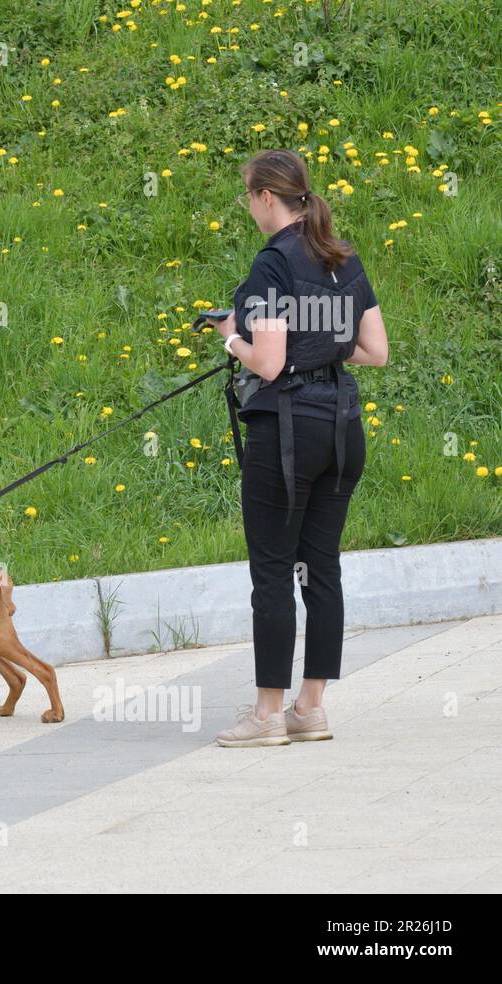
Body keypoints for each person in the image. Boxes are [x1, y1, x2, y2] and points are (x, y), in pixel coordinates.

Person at [209, 150, 388, 747]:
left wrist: (231, 335)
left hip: (286, 435)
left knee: (272, 573)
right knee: (322, 568)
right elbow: (374, 351)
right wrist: (318, 352)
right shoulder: (341, 260)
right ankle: (310, 708)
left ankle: (265, 716)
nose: (249, 207)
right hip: (342, 428)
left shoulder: (271, 266)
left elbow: (269, 360)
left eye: (248, 197)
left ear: (266, 197)